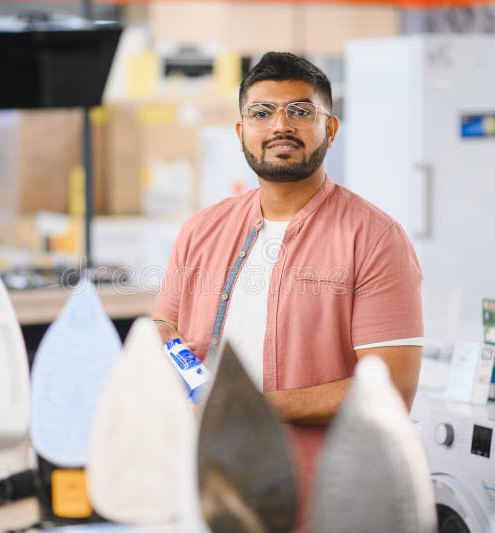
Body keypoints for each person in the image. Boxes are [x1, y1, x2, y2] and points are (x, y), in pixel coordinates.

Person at [153, 51, 424, 530]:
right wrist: (184, 372)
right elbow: (164, 325)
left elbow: (390, 393)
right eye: (261, 113)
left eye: (301, 111)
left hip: (315, 503)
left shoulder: (376, 238)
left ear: (331, 129)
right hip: (202, 489)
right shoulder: (201, 231)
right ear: (241, 132)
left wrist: (247, 407)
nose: (281, 125)